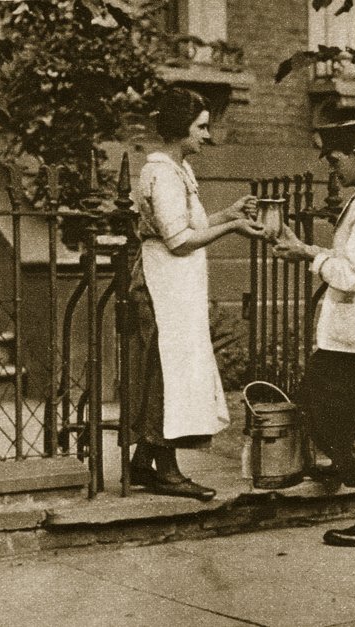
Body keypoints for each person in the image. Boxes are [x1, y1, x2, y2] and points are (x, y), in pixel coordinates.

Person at [272, 119, 355, 546]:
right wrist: (309, 250)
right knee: (334, 406)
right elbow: (352, 262)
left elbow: (352, 276)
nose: (333, 170)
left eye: (335, 160)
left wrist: (310, 256)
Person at [127, 87, 266, 501]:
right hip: (161, 282)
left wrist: (229, 212)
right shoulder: (161, 173)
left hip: (179, 284)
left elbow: (194, 225)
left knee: (178, 371)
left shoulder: (180, 169)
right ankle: (166, 470)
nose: (207, 135)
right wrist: (233, 228)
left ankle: (142, 464)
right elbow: (178, 240)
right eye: (201, 127)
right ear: (178, 130)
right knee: (167, 374)